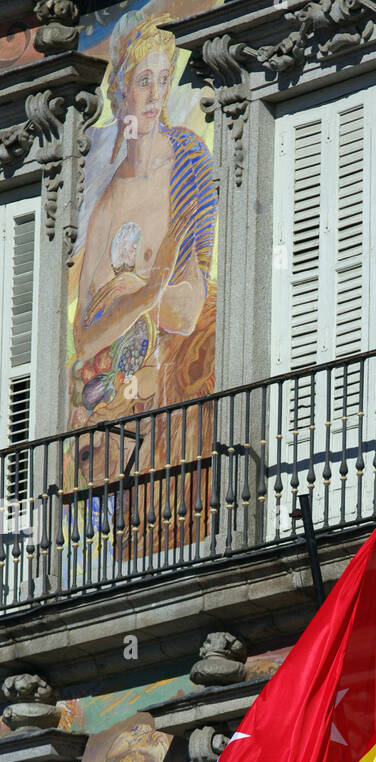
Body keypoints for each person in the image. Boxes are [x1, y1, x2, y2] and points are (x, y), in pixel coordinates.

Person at [69, 13, 216, 446]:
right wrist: (146, 292)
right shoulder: (106, 197)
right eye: (143, 80)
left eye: (163, 79)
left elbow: (188, 311)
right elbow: (83, 338)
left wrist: (123, 296)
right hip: (108, 411)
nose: (155, 94)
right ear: (120, 92)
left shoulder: (190, 162)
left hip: (166, 399)